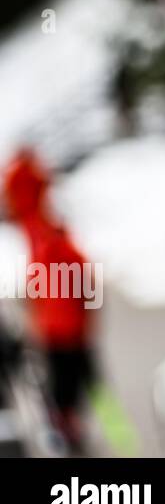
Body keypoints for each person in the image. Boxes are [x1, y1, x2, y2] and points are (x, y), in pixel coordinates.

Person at [1, 149, 95, 453]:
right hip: (61, 329)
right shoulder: (45, 235)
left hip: (64, 332)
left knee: (68, 390)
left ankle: (72, 431)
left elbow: (79, 281)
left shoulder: (48, 238)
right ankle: (69, 429)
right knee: (66, 391)